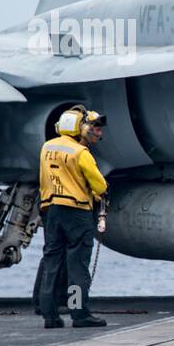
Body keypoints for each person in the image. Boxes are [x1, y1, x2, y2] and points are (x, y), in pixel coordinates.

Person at [37, 107, 109, 329]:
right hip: (77, 213)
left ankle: (49, 315)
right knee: (77, 266)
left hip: (52, 210)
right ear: (80, 127)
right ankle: (79, 314)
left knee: (51, 263)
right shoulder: (80, 153)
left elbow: (43, 179)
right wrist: (101, 194)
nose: (96, 132)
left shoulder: (47, 147)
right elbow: (99, 184)